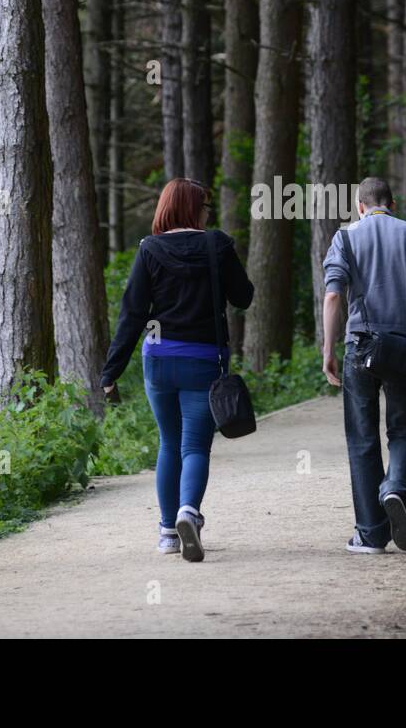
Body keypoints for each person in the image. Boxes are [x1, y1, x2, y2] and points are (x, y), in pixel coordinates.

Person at [99, 178, 254, 562]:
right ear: (191, 208)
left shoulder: (149, 250)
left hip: (159, 359)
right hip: (204, 360)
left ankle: (168, 532)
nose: (208, 214)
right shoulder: (217, 245)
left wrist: (111, 370)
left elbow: (133, 314)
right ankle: (189, 512)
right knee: (195, 445)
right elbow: (244, 297)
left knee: (169, 443)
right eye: (204, 207)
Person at [320, 177, 406, 554]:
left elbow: (332, 296)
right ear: (392, 203)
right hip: (403, 347)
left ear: (360, 206)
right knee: (404, 432)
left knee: (362, 439)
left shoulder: (345, 238)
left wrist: (329, 348)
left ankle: (372, 534)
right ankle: (395, 488)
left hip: (361, 346)